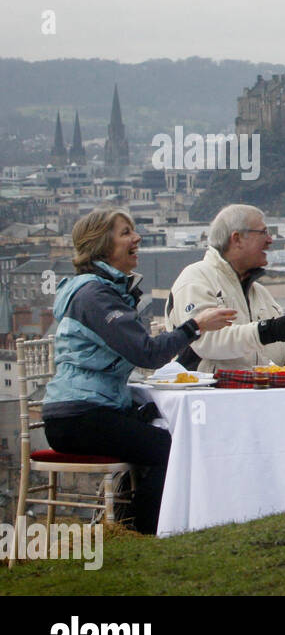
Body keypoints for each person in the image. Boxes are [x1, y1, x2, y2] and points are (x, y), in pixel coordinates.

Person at [42, 207, 237, 535]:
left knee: (158, 429)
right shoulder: (95, 296)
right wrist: (195, 325)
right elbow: (147, 354)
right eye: (125, 233)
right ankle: (144, 531)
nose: (137, 238)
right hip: (80, 417)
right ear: (102, 245)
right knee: (169, 448)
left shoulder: (97, 290)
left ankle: (135, 518)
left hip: (80, 412)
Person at [166, 204, 285, 371]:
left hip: (255, 396)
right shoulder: (196, 278)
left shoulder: (259, 292)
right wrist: (267, 330)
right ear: (237, 239)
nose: (270, 240)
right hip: (210, 398)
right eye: (264, 232)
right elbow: (206, 341)